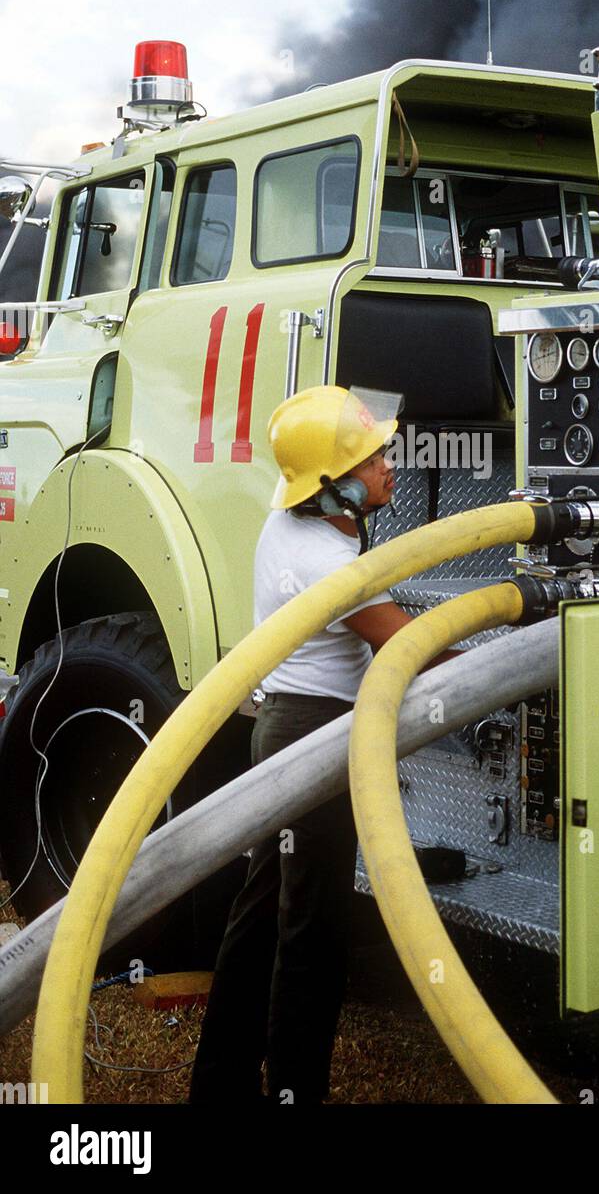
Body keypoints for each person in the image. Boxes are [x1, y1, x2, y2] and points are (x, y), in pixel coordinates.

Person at [189, 384, 454, 1105]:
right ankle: (296, 1092)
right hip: (312, 739)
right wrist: (507, 644)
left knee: (263, 913)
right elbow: (413, 648)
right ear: (333, 486)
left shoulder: (293, 524)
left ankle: (221, 1085)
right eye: (372, 461)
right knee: (313, 932)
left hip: (284, 730)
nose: (389, 468)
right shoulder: (327, 566)